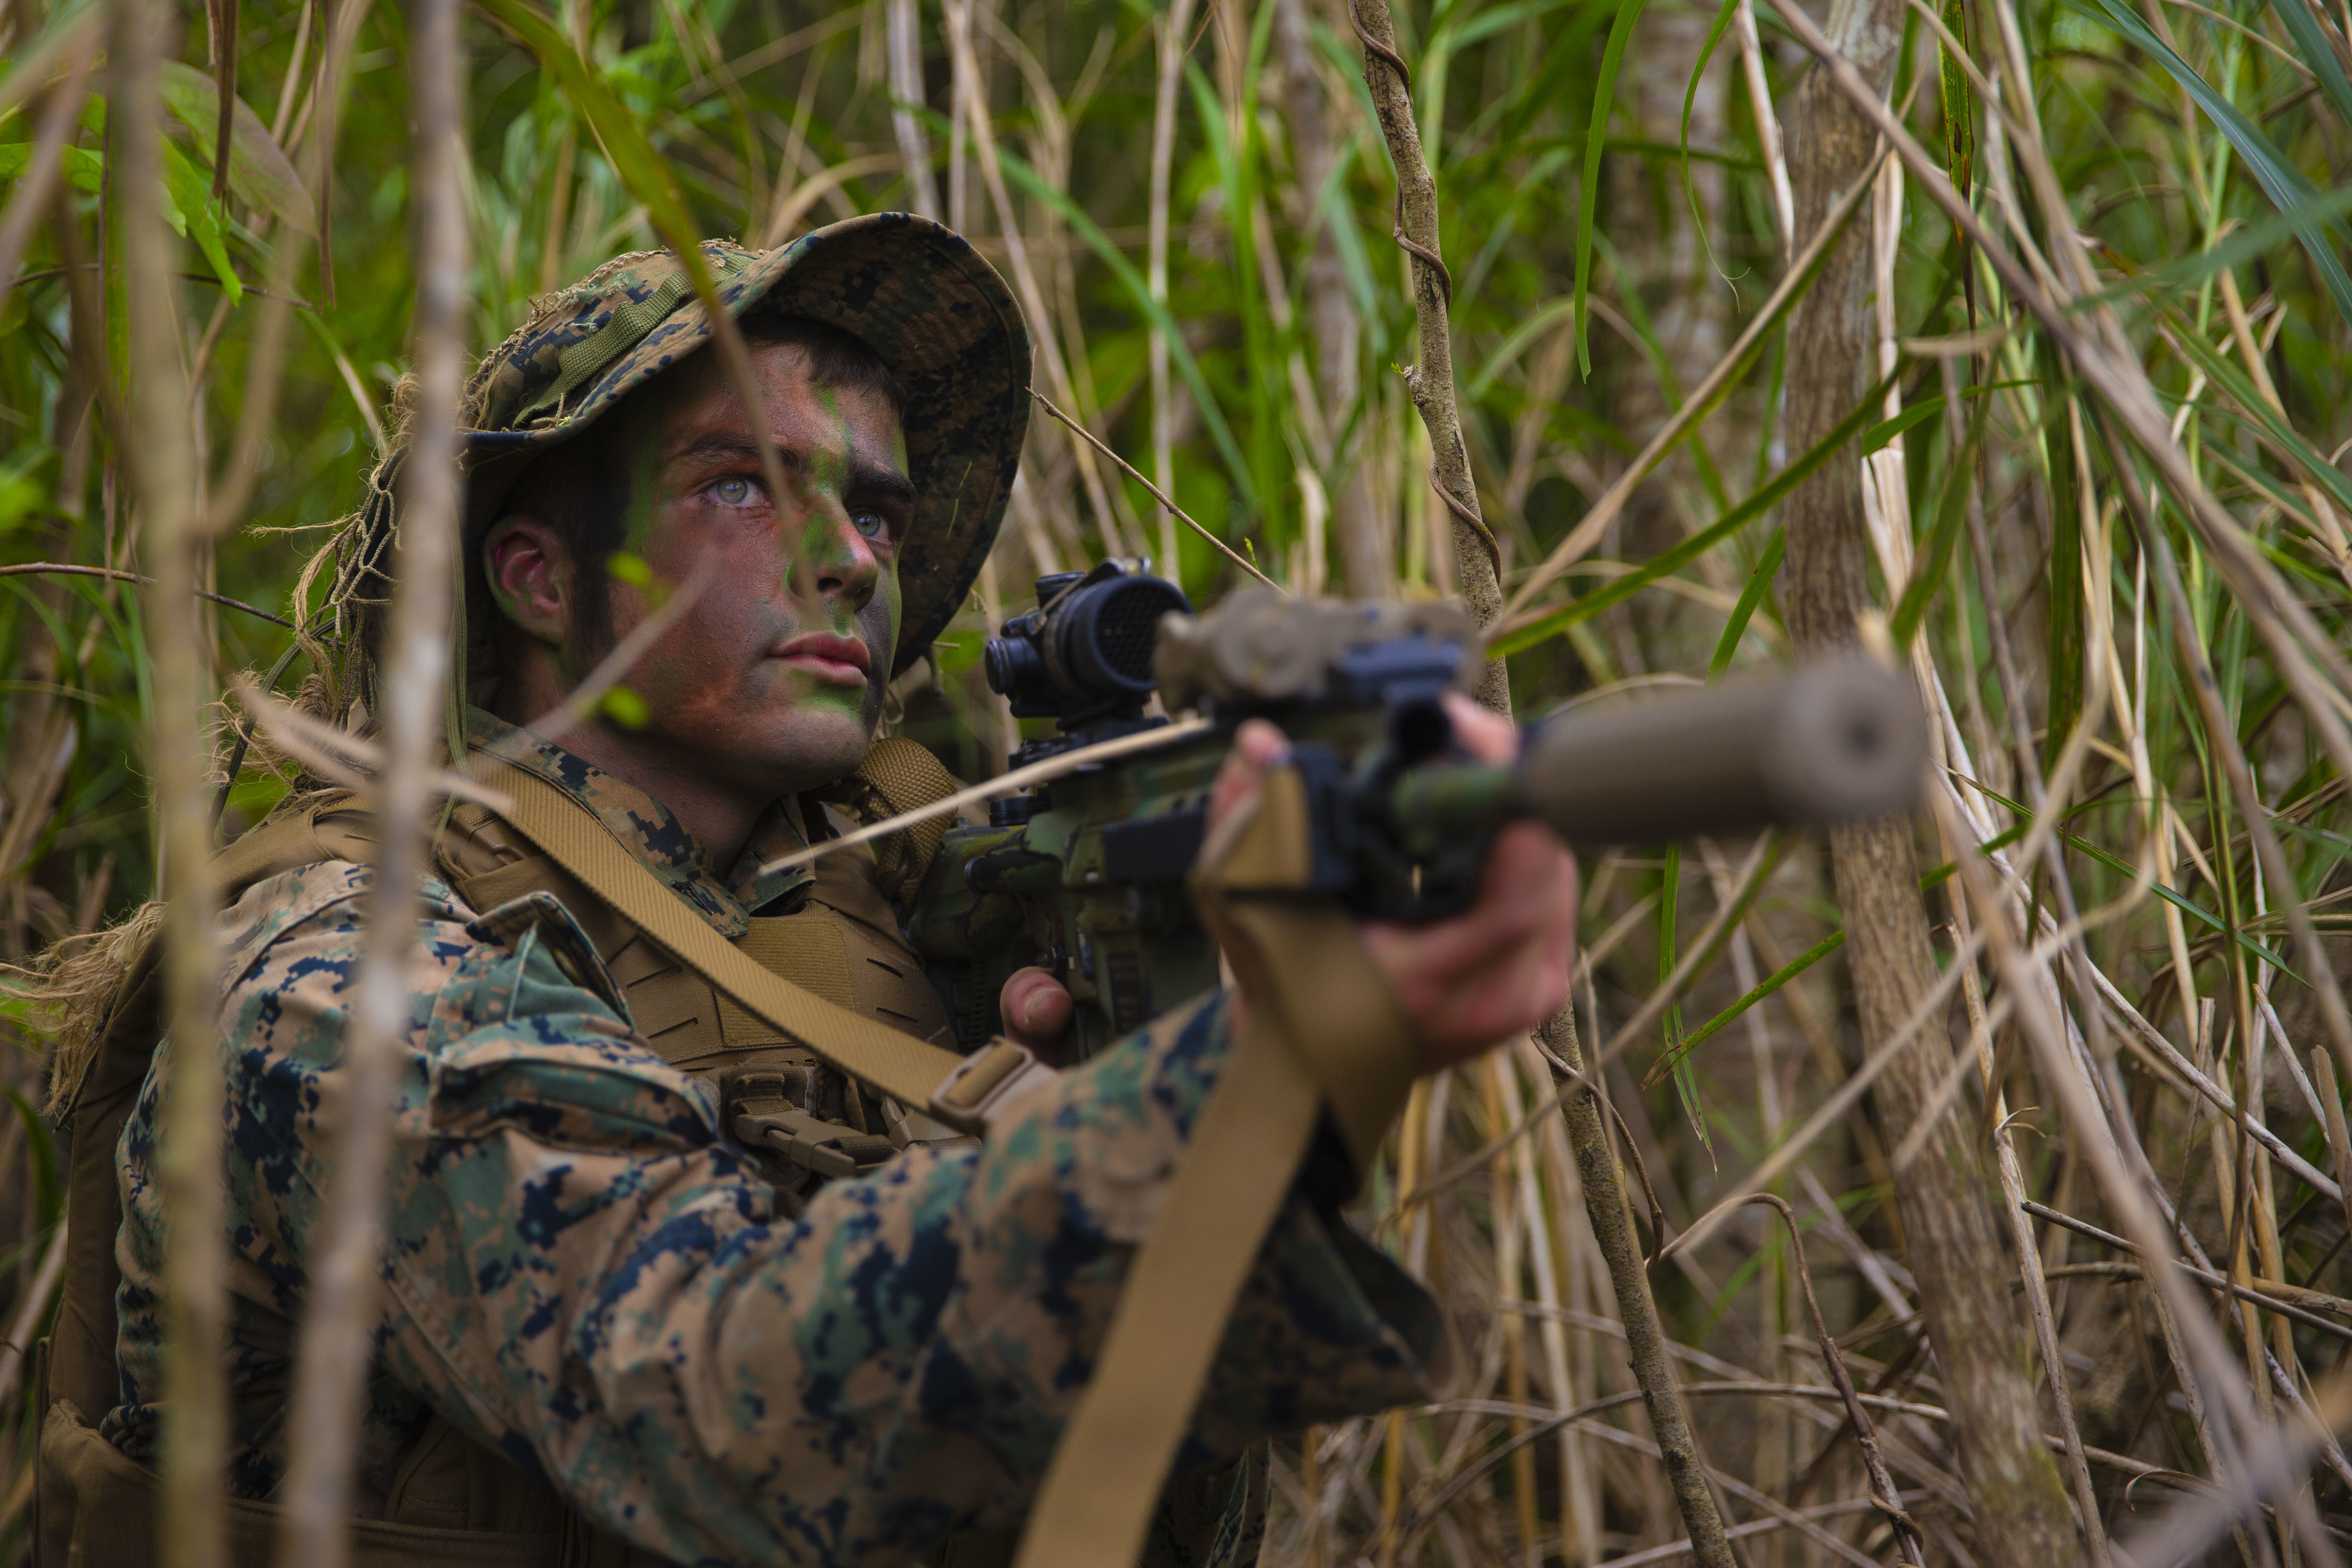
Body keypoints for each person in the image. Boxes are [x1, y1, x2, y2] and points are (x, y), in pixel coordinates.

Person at [35, 214, 1577, 1568]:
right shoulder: (337, 966)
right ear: (539, 579)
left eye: (880, 512)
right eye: (745, 487)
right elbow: (705, 1398)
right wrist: (1202, 1095)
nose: (849, 557)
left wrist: (1191, 1058)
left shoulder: (898, 921)